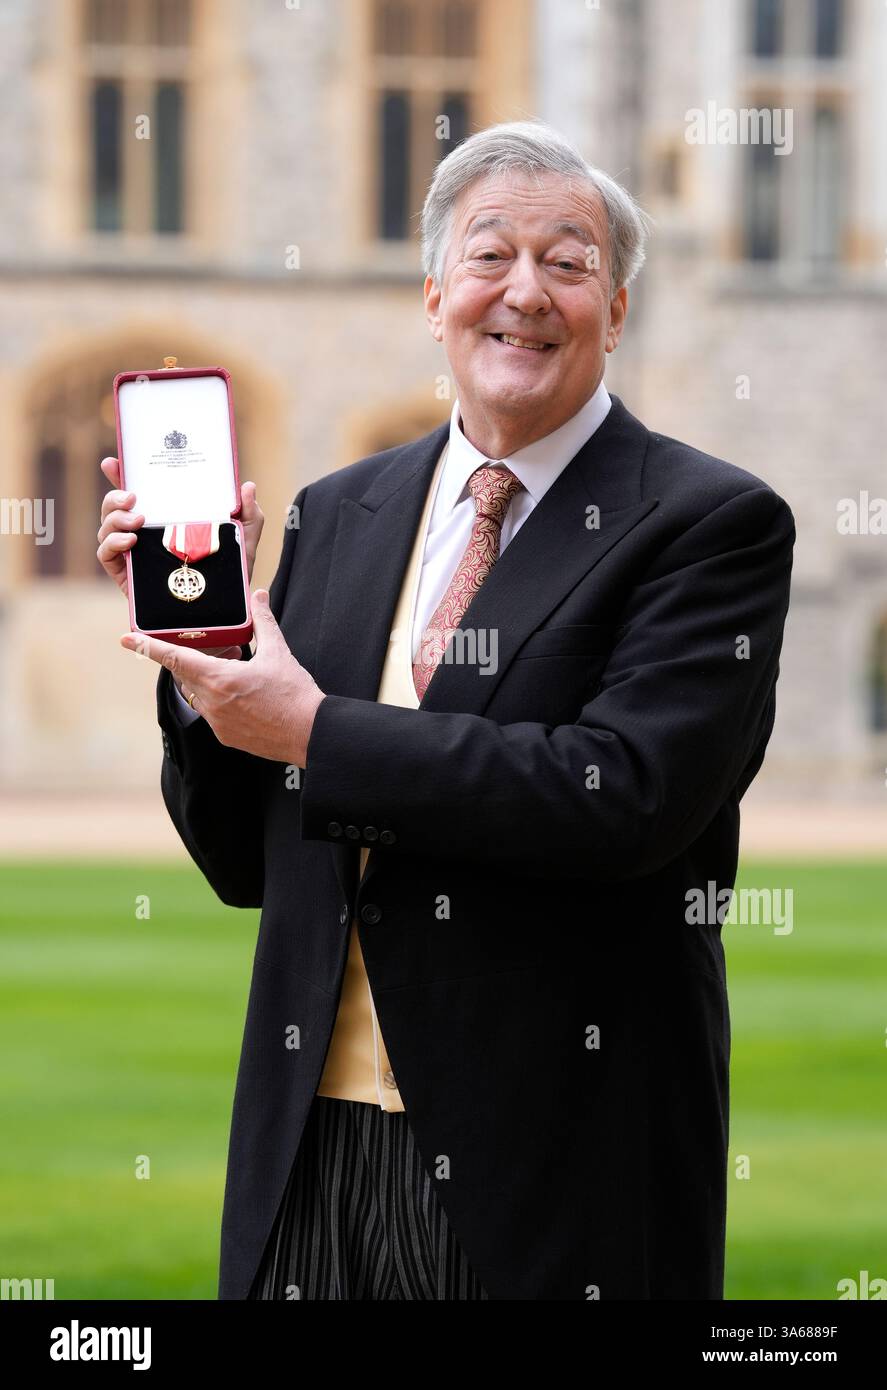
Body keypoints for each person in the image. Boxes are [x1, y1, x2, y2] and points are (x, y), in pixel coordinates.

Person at [97, 120, 795, 1300]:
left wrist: (311, 729)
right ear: (434, 297)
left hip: (550, 1172)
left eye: (566, 263)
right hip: (308, 1158)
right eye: (487, 256)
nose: (523, 292)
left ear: (614, 311)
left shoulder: (708, 524)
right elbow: (245, 860)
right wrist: (203, 662)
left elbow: (619, 798)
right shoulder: (338, 512)